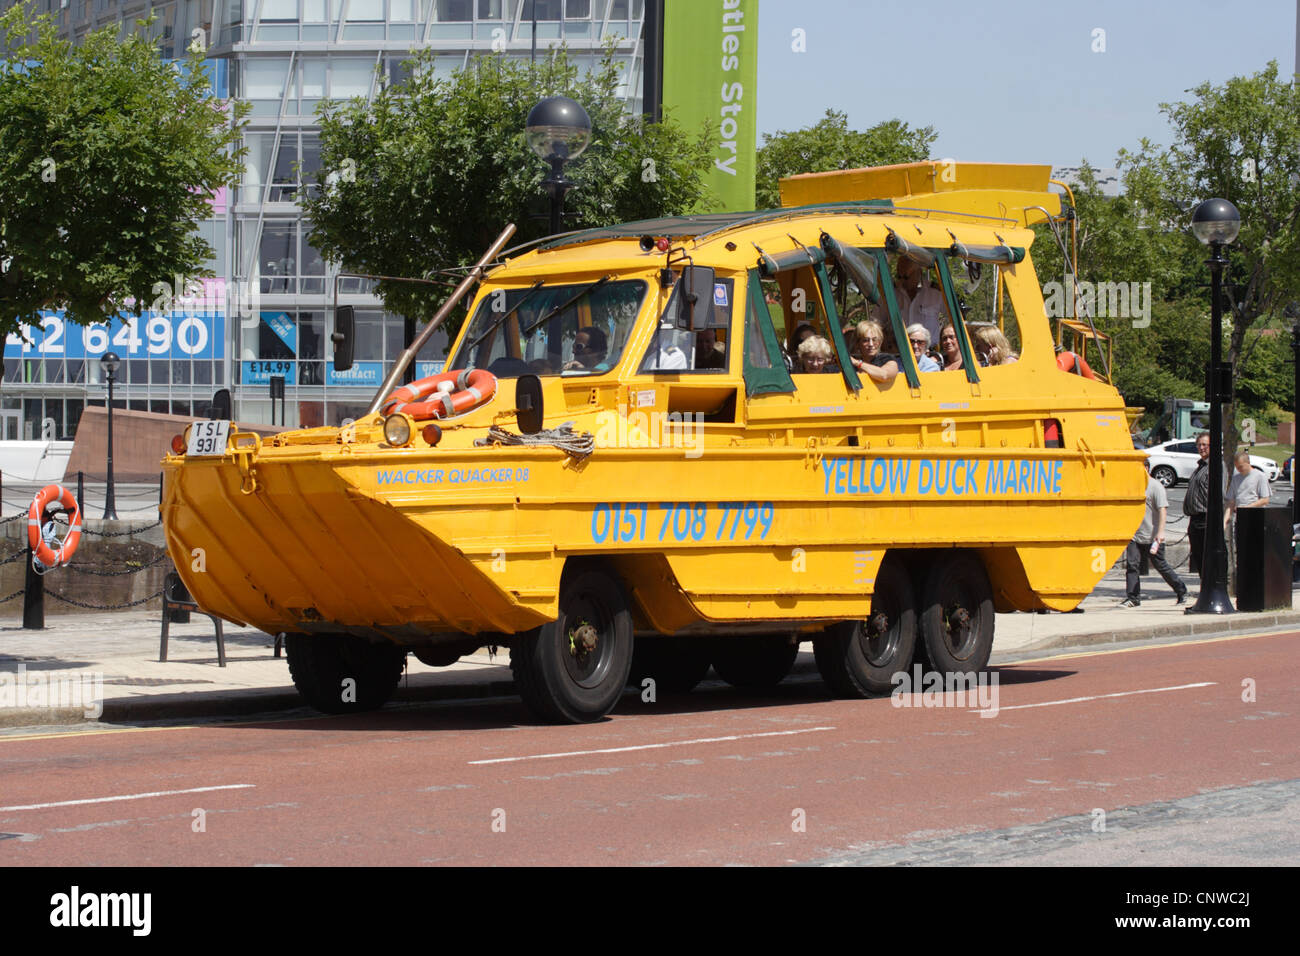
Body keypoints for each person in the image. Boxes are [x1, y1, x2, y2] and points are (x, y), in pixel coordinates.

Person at [1120, 459, 1189, 606]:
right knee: (1132, 565)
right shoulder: (1132, 486)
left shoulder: (1155, 487)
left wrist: (1160, 532)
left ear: (1146, 468)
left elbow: (1162, 509)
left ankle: (1181, 590)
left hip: (1152, 535)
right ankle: (1133, 597)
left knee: (1160, 565)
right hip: (1135, 535)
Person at [1183, 431, 1224, 576]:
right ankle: (1204, 586)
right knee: (1199, 556)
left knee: (1209, 557)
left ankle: (1211, 587)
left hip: (1206, 518)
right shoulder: (1200, 467)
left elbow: (1221, 494)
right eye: (1199, 445)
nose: (1201, 448)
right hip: (1194, 519)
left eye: (1205, 445)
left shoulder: (1215, 466)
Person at [1225, 451, 1270, 529]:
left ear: (1248, 462)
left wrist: (1246, 508)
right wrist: (1225, 520)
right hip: (1240, 519)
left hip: (1256, 518)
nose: (1239, 469)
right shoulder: (1236, 478)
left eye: (1241, 466)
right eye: (1237, 467)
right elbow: (1231, 502)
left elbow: (1265, 500)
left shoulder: (1260, 476)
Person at [849, 319, 899, 385]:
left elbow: (884, 375)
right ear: (857, 343)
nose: (871, 344)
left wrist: (858, 363)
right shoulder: (851, 364)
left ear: (880, 342)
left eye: (875, 340)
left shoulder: (887, 359)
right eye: (865, 340)